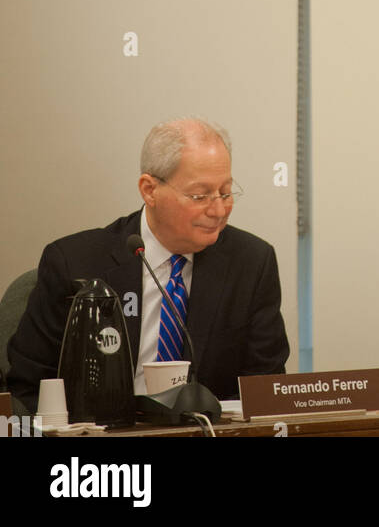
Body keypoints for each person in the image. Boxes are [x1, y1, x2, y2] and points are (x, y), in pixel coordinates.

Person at [7, 117, 289, 411]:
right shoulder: (74, 263)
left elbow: (265, 389)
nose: (218, 210)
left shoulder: (251, 263)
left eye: (225, 192)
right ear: (150, 190)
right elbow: (27, 388)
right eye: (200, 196)